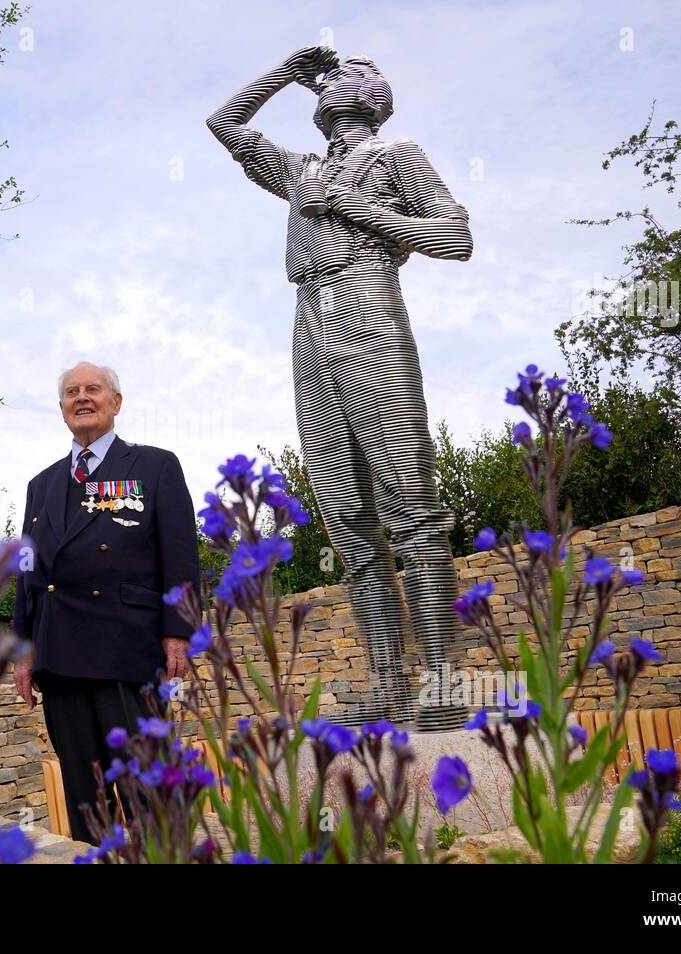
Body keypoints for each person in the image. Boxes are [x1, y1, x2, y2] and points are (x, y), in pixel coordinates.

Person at [207, 47, 473, 731]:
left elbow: (453, 235)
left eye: (334, 76)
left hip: (368, 307)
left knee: (410, 506)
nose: (322, 86)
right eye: (319, 80)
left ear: (369, 95)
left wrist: (353, 206)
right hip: (309, 319)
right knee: (348, 515)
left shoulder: (396, 154)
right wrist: (286, 71)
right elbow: (225, 123)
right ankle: (389, 683)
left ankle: (442, 682)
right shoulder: (302, 170)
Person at [12, 361, 200, 843]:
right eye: (72, 392)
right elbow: (27, 571)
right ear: (61, 410)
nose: (82, 398)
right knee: (85, 801)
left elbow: (180, 554)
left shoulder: (155, 466)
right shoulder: (41, 484)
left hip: (128, 653)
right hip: (59, 657)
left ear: (115, 402)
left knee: (147, 794)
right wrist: (23, 647)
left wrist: (178, 629)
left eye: (93, 389)